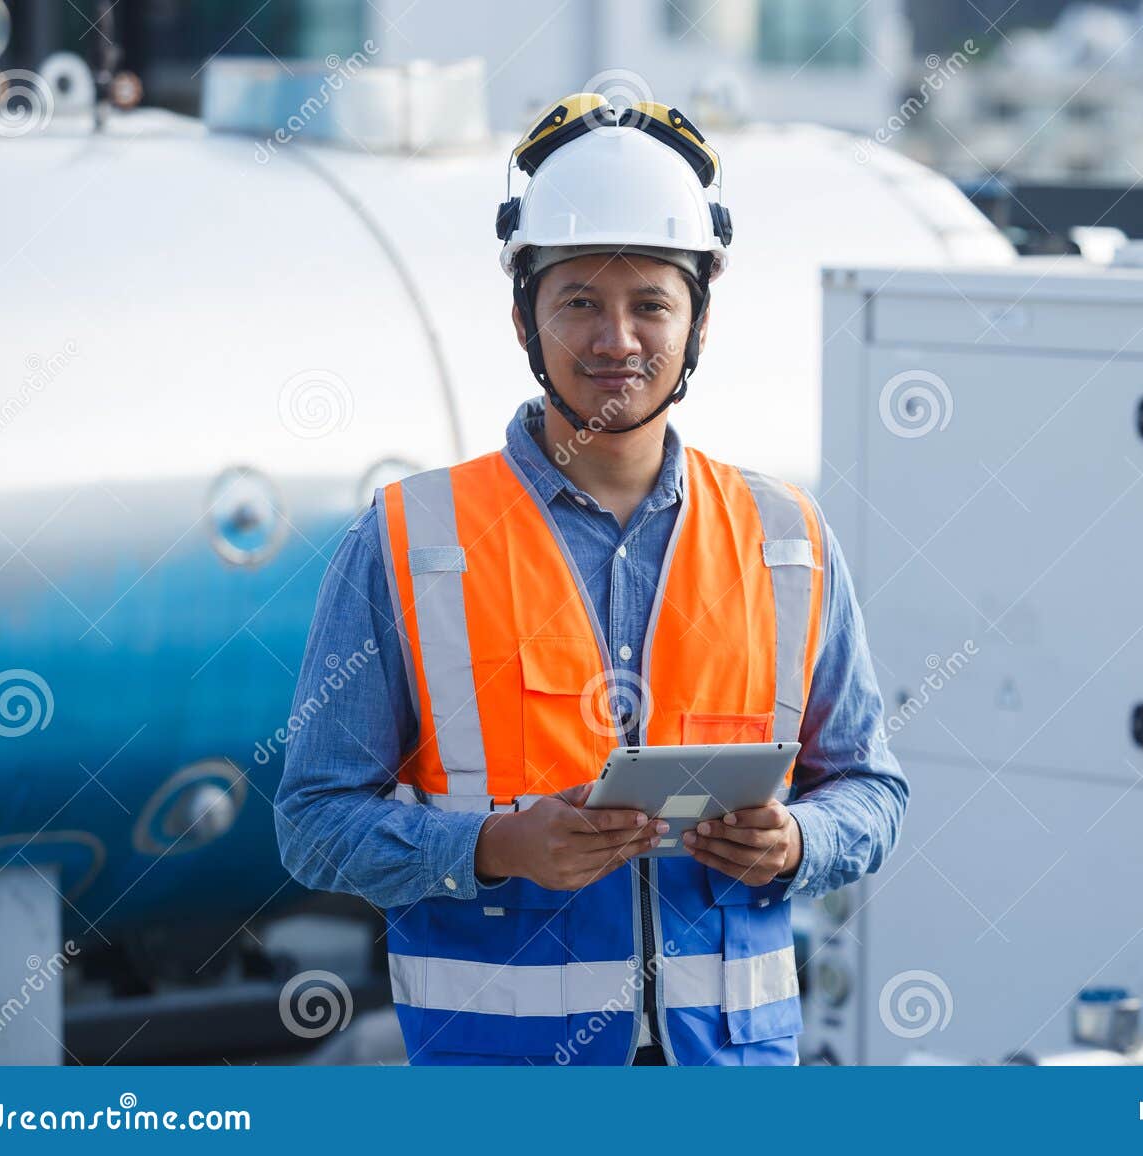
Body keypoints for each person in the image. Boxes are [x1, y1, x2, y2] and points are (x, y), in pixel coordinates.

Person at [274, 93, 907, 1066]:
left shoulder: (787, 538)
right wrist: (491, 848)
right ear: (525, 316)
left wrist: (795, 844)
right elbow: (313, 823)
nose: (616, 339)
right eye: (579, 301)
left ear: (698, 315)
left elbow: (871, 787)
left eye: (650, 301)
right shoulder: (409, 536)